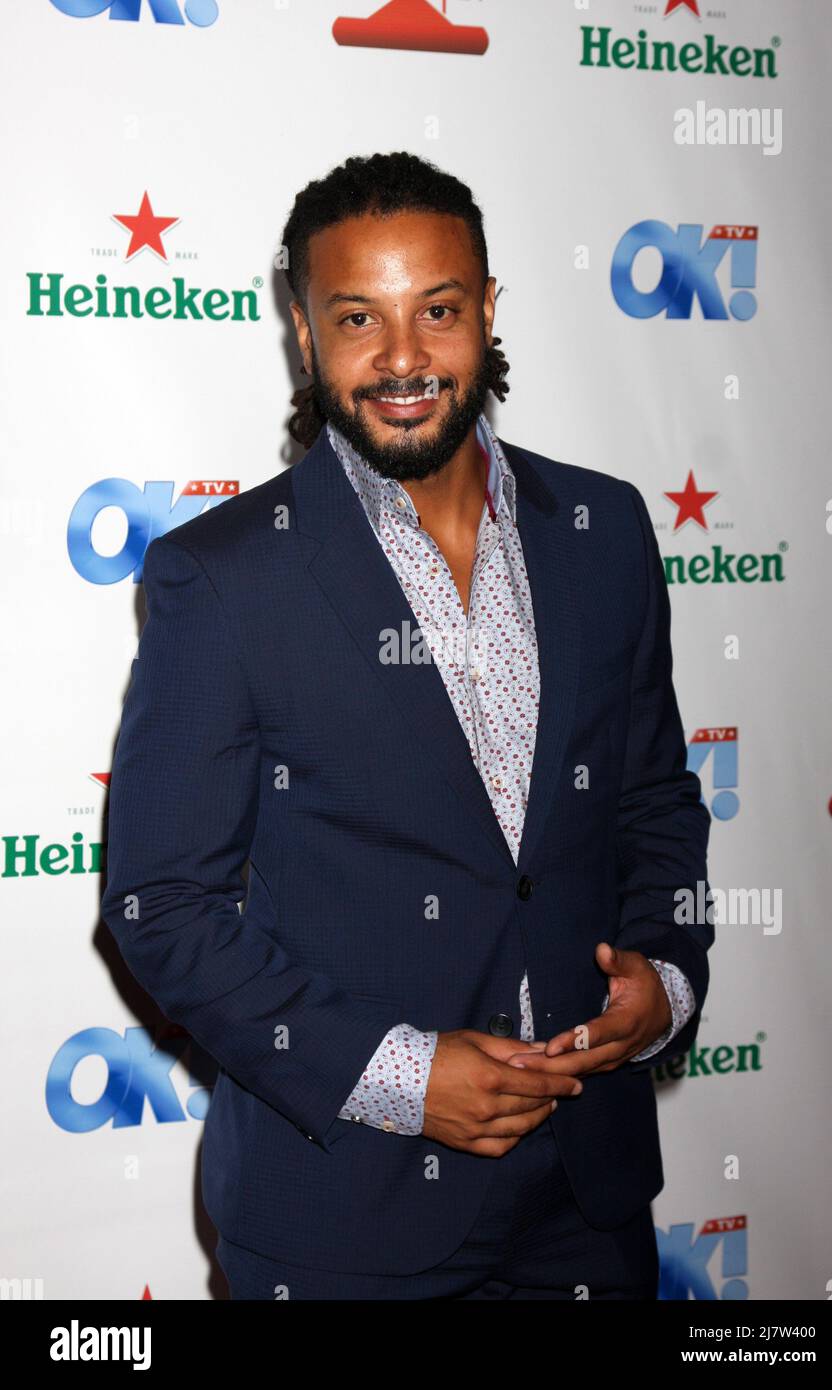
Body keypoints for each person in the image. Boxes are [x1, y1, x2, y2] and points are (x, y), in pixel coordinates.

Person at [101, 151, 713, 1300]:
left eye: (435, 310)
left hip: (589, 1196)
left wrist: (666, 978)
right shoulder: (223, 580)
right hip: (349, 1215)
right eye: (356, 318)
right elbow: (162, 908)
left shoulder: (605, 531)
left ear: (484, 313)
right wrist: (403, 1076)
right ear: (303, 334)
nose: (400, 359)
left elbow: (652, 801)